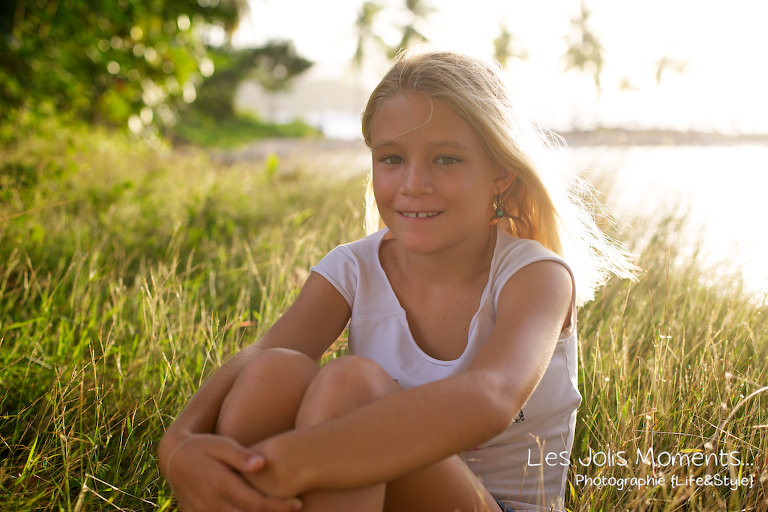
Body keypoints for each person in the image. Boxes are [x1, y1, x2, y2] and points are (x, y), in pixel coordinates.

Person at [158, 46, 636, 512]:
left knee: (350, 388)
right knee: (275, 372)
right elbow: (261, 355)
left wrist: (289, 463)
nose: (413, 183)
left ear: (500, 175)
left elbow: (491, 396)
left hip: (497, 504)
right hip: (370, 494)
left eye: (446, 159)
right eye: (391, 159)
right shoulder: (352, 268)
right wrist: (179, 446)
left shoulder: (536, 276)